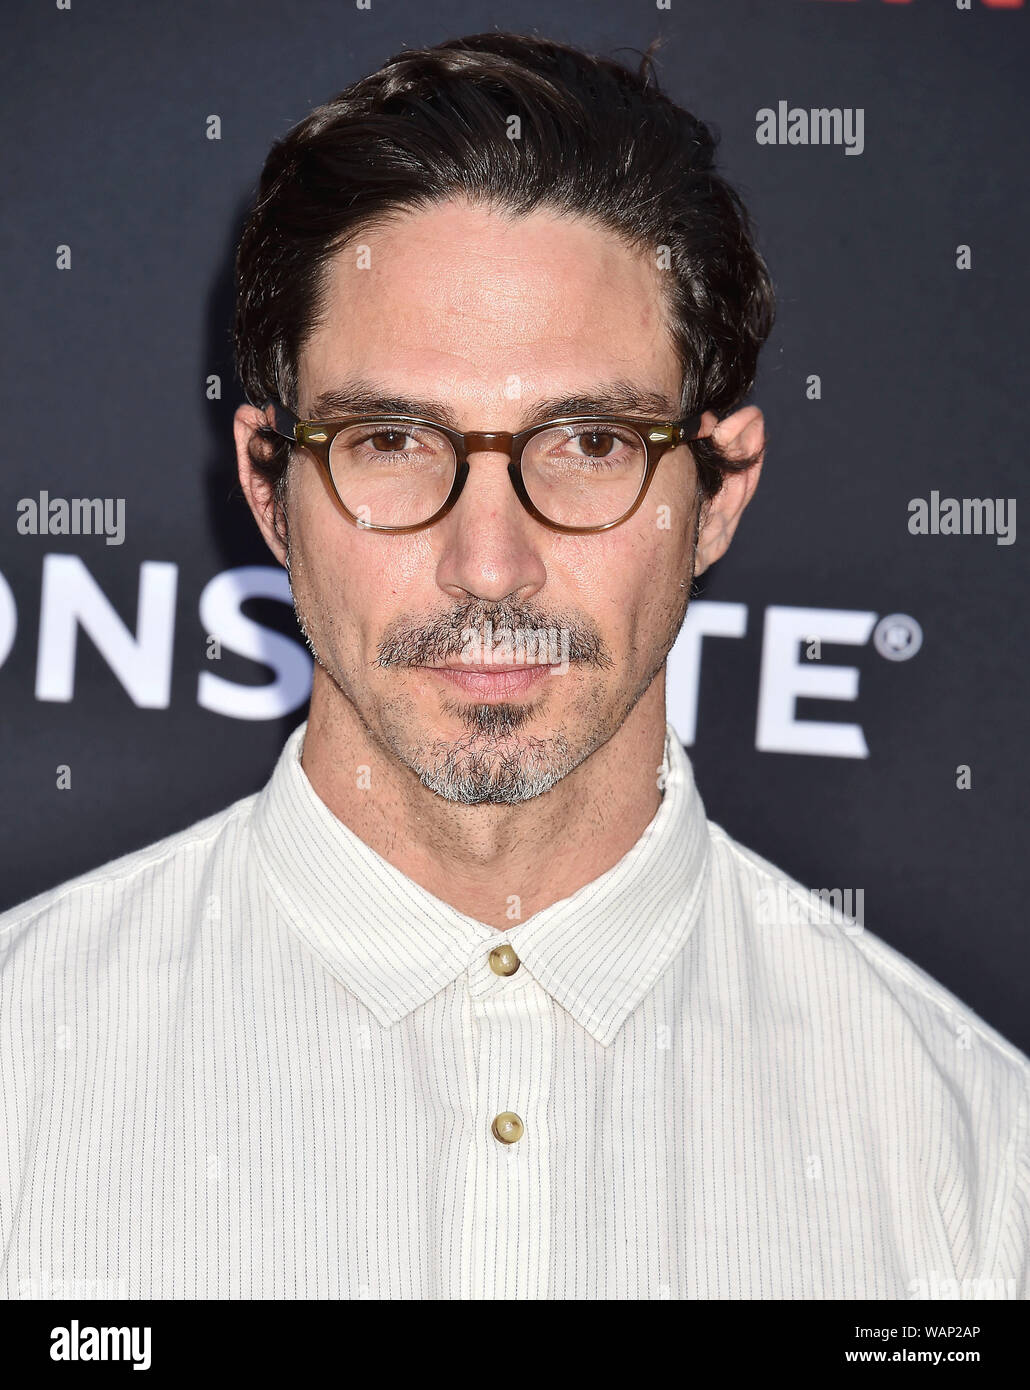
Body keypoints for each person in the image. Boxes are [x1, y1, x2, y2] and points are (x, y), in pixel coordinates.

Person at [1, 31, 1026, 1302]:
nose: (489, 564)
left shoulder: (975, 1164)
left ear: (717, 494)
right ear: (271, 488)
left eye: (589, 442)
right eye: (390, 439)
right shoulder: (21, 1074)